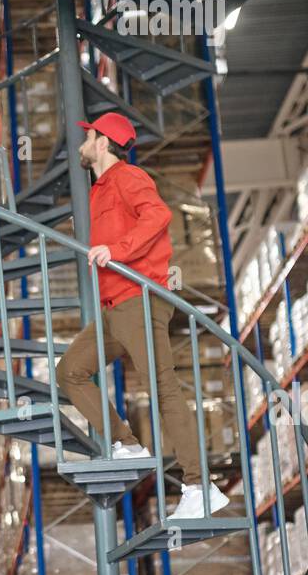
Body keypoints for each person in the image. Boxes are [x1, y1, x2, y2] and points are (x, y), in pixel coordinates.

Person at [54, 110, 228, 521]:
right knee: (71, 372)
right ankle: (126, 442)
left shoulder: (128, 177)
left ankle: (200, 485)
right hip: (115, 306)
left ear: (102, 143)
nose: (81, 142)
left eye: (88, 135)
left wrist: (119, 251)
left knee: (161, 385)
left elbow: (159, 215)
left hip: (139, 298)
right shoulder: (98, 190)